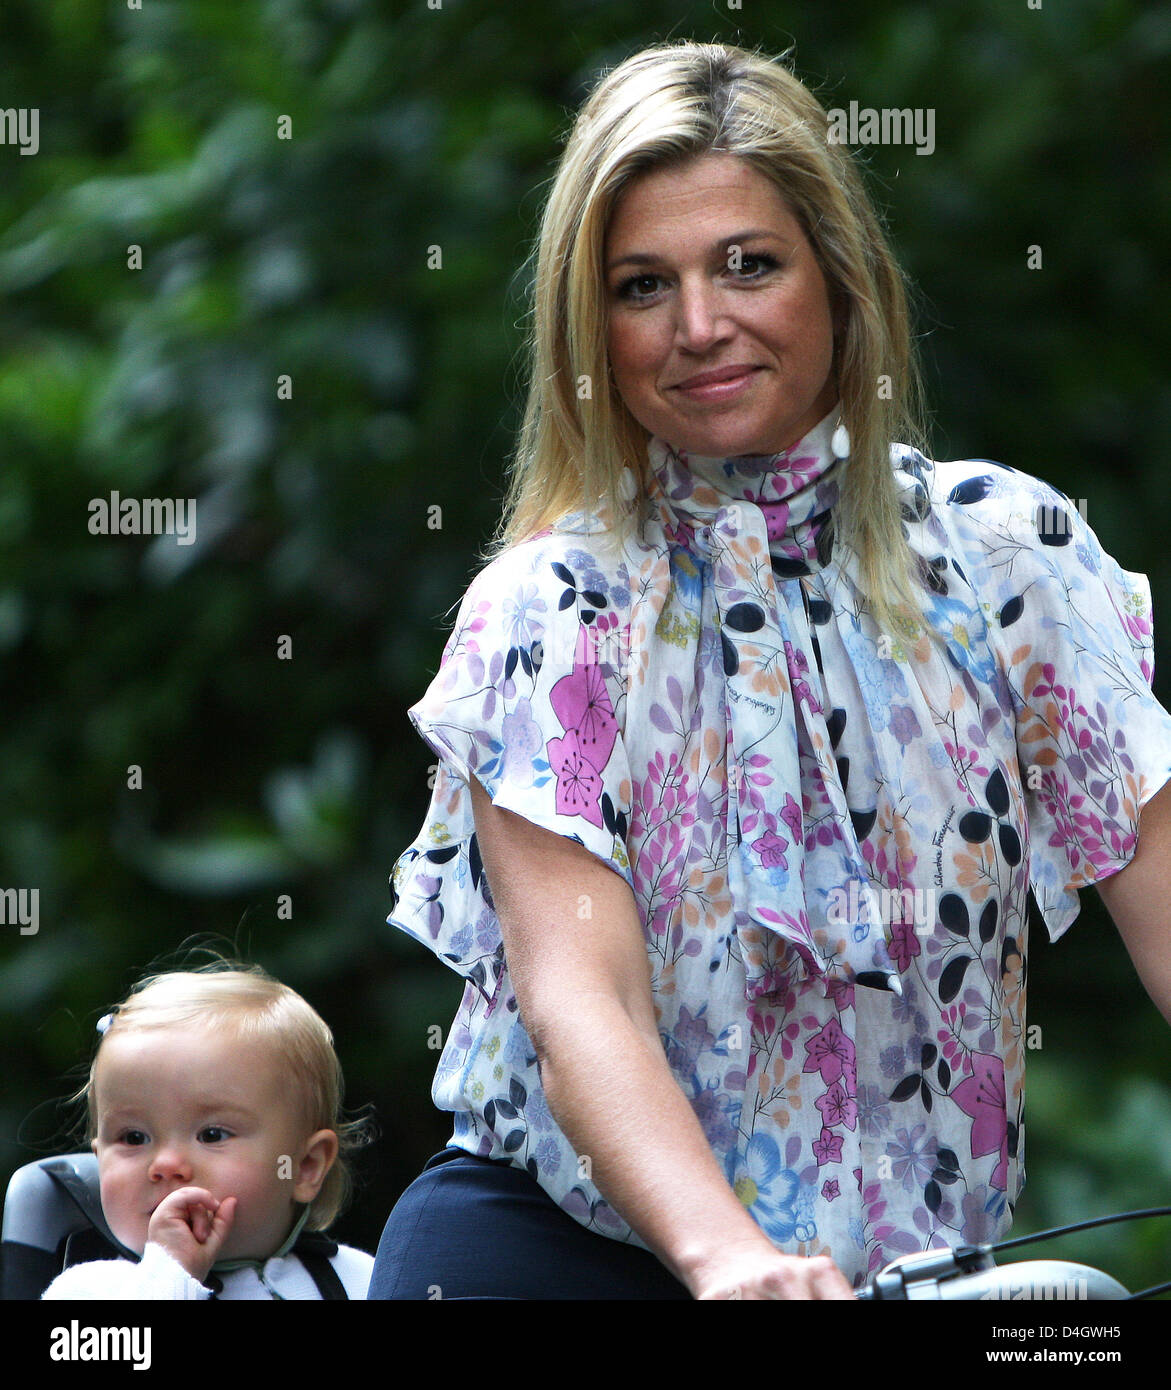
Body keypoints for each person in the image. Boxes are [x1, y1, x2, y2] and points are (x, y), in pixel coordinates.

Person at [372, 40, 1171, 1301]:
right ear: (592, 327)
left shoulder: (1008, 559)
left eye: (748, 263)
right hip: (561, 1257)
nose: (700, 327)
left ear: (838, 280)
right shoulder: (555, 607)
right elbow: (584, 1001)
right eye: (642, 285)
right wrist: (730, 1260)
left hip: (899, 1279)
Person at [41, 963, 375, 1299]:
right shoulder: (88, 1288)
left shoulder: (364, 1280)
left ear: (304, 1166)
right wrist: (171, 1274)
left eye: (212, 1135)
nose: (166, 1164)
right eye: (133, 1138)